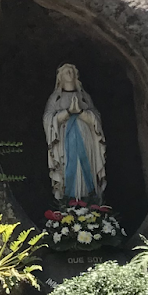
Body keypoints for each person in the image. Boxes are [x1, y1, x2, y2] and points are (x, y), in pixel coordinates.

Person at [42, 63, 106, 203]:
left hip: (85, 137)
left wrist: (81, 113)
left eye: (72, 71)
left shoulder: (83, 97)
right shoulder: (56, 98)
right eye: (66, 72)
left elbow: (96, 118)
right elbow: (47, 119)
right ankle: (68, 203)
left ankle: (89, 201)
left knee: (86, 168)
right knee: (68, 169)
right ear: (60, 77)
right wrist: (68, 112)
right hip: (65, 140)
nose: (69, 74)